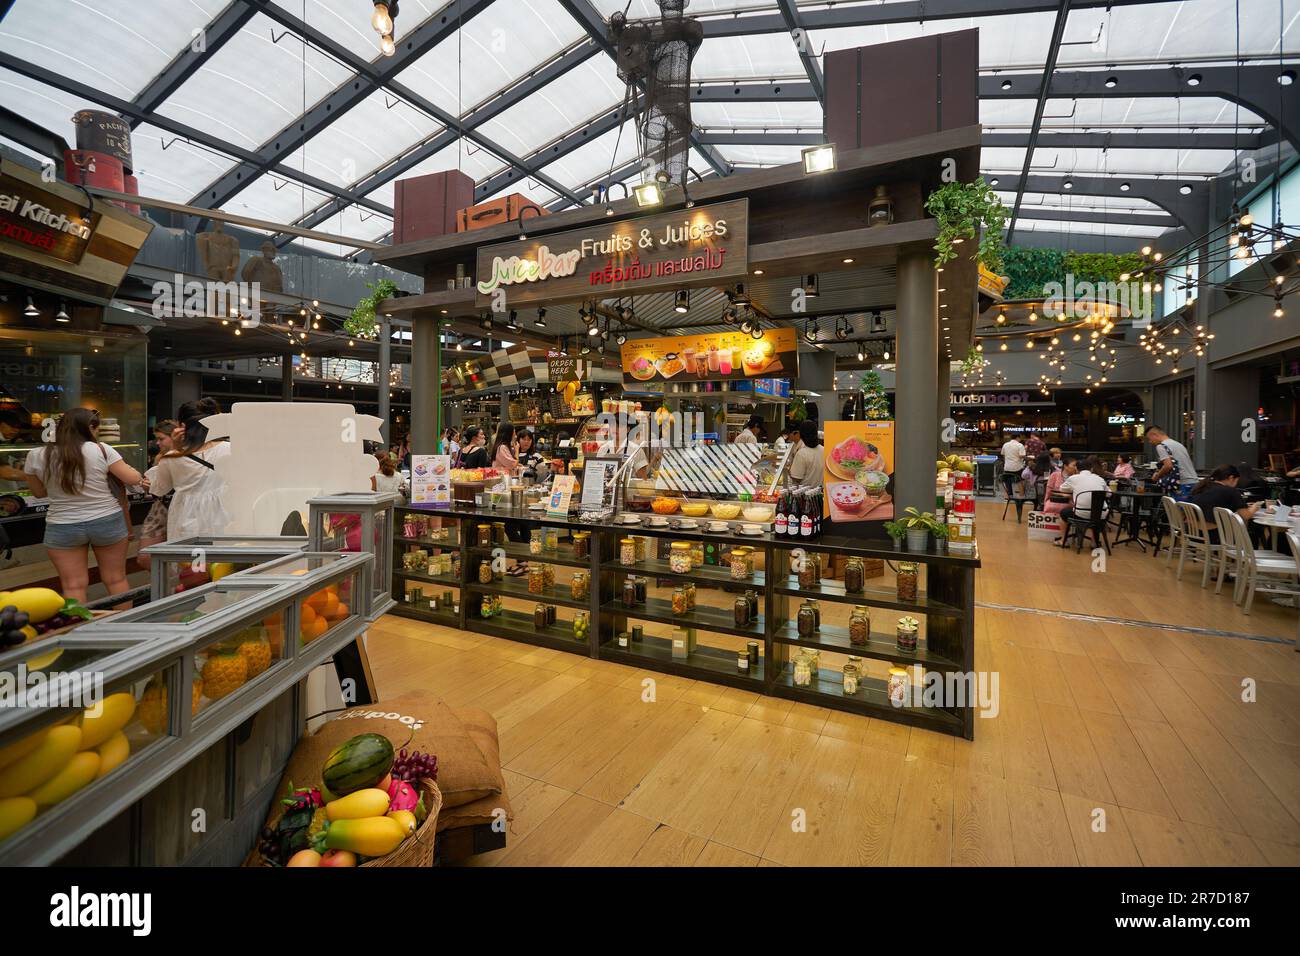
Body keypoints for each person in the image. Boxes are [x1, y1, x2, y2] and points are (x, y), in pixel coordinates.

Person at [21, 407, 143, 601]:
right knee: (116, 580)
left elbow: (38, 492)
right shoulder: (101, 449)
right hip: (106, 519)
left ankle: (78, 628)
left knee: (72, 585)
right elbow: (133, 478)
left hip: (62, 524)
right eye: (96, 430)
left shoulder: (36, 455)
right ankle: (121, 626)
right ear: (89, 428)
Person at [145, 398, 232, 542]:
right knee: (222, 562)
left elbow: (159, 489)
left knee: (189, 562)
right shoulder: (229, 449)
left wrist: (175, 447)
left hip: (186, 518)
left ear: (182, 426)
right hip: (223, 516)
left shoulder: (172, 457)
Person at [136, 419, 178, 568]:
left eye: (161, 439)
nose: (158, 443)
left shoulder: (186, 455)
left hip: (179, 506)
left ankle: (171, 585)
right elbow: (158, 487)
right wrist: (149, 486)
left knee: (179, 555)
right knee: (145, 556)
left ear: (174, 436)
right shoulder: (161, 457)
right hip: (160, 506)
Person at [1188, 464, 1261, 543]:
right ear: (1231, 478)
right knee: (1248, 530)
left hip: (1192, 533)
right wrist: (1255, 507)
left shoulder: (1201, 487)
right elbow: (1246, 516)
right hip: (1214, 537)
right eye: (1237, 481)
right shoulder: (1230, 491)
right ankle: (1250, 553)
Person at [1060, 455, 1110, 528]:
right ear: (1092, 469)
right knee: (1095, 515)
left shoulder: (1073, 478)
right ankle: (1094, 539)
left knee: (1064, 512)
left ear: (1076, 468)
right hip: (1101, 515)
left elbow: (1062, 489)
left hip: (1081, 514)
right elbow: (1109, 494)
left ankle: (1063, 539)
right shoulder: (1100, 479)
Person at [1146, 425, 1197, 495]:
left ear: (1154, 435)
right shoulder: (1179, 444)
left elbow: (1168, 465)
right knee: (1188, 506)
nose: (1150, 442)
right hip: (1193, 482)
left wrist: (1157, 476)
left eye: (1149, 439)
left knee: (1177, 506)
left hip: (1180, 484)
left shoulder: (1161, 446)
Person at [787, 420, 824, 487]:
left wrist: (787, 471)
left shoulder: (802, 453)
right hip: (820, 492)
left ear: (801, 435)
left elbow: (796, 478)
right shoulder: (823, 450)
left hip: (804, 493)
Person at [1000, 433, 1027, 499]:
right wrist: (1025, 452)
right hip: (1017, 466)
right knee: (1020, 481)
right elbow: (1022, 455)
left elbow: (1003, 454)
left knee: (1007, 481)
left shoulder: (1005, 444)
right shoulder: (1020, 445)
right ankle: (1021, 496)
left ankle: (1008, 496)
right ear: (1018, 437)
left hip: (1007, 466)